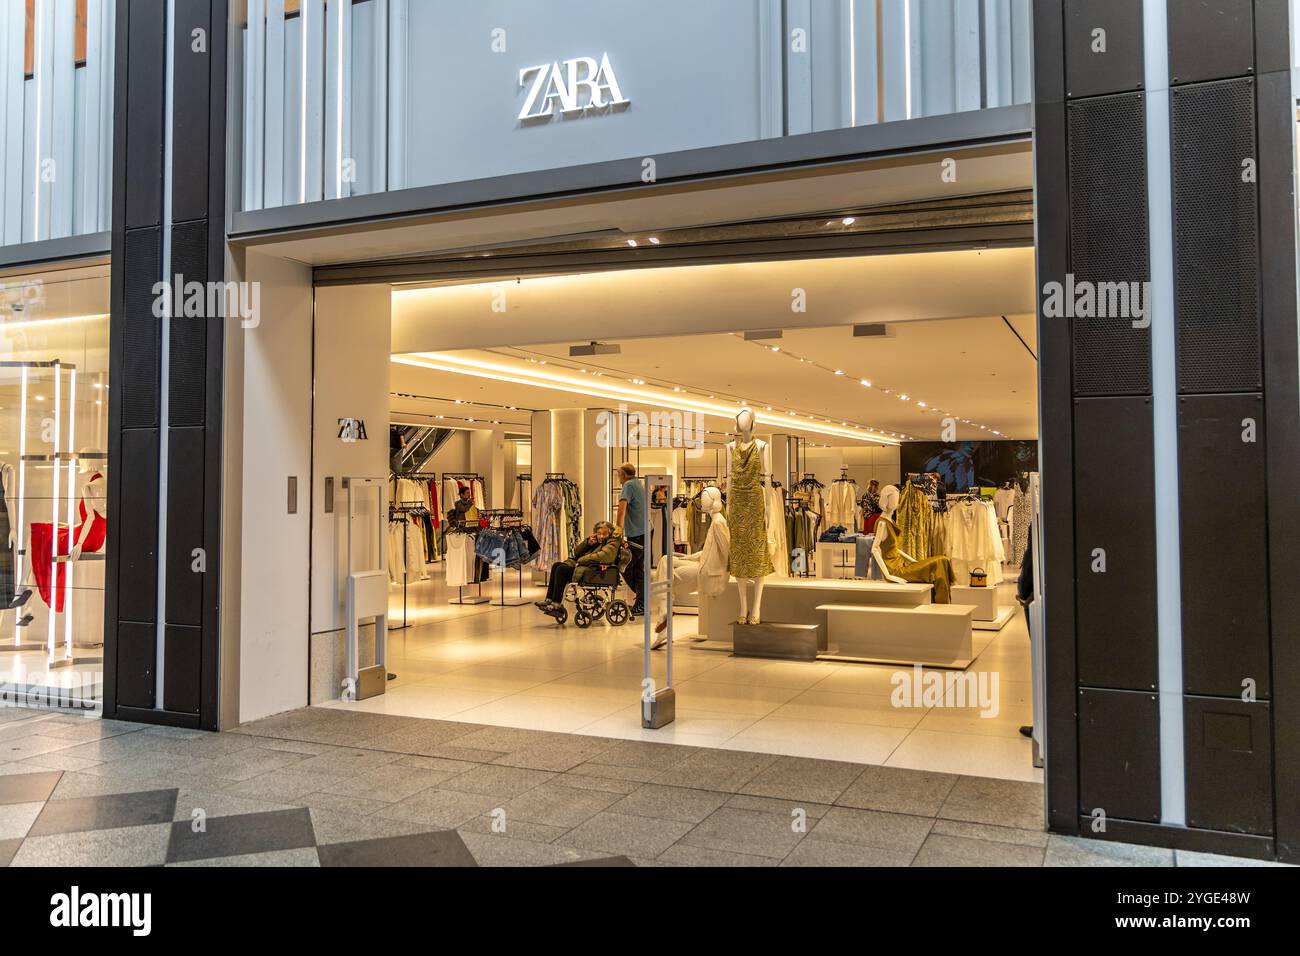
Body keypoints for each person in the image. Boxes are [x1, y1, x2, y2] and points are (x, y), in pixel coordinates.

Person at [535, 521, 622, 617]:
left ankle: (556, 605)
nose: (601, 536)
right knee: (556, 566)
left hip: (594, 571)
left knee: (561, 570)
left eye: (604, 534)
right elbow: (576, 553)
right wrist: (587, 543)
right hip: (587, 568)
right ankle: (549, 600)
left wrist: (581, 560)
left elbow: (604, 557)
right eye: (599, 533)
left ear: (609, 533)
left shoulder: (613, 542)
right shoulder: (596, 541)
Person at [616, 463, 646, 615]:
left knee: (625, 565)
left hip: (638, 533)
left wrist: (617, 532)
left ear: (623, 474)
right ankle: (642, 601)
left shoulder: (627, 485)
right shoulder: (638, 484)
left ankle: (643, 599)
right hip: (645, 531)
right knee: (638, 568)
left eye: (618, 474)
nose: (618, 477)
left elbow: (621, 510)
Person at [1016, 532, 1033, 738]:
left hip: (1034, 596)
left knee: (1044, 662)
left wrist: (1024, 588)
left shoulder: (1041, 522)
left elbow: (1030, 560)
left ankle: (1045, 720)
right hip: (1035, 594)